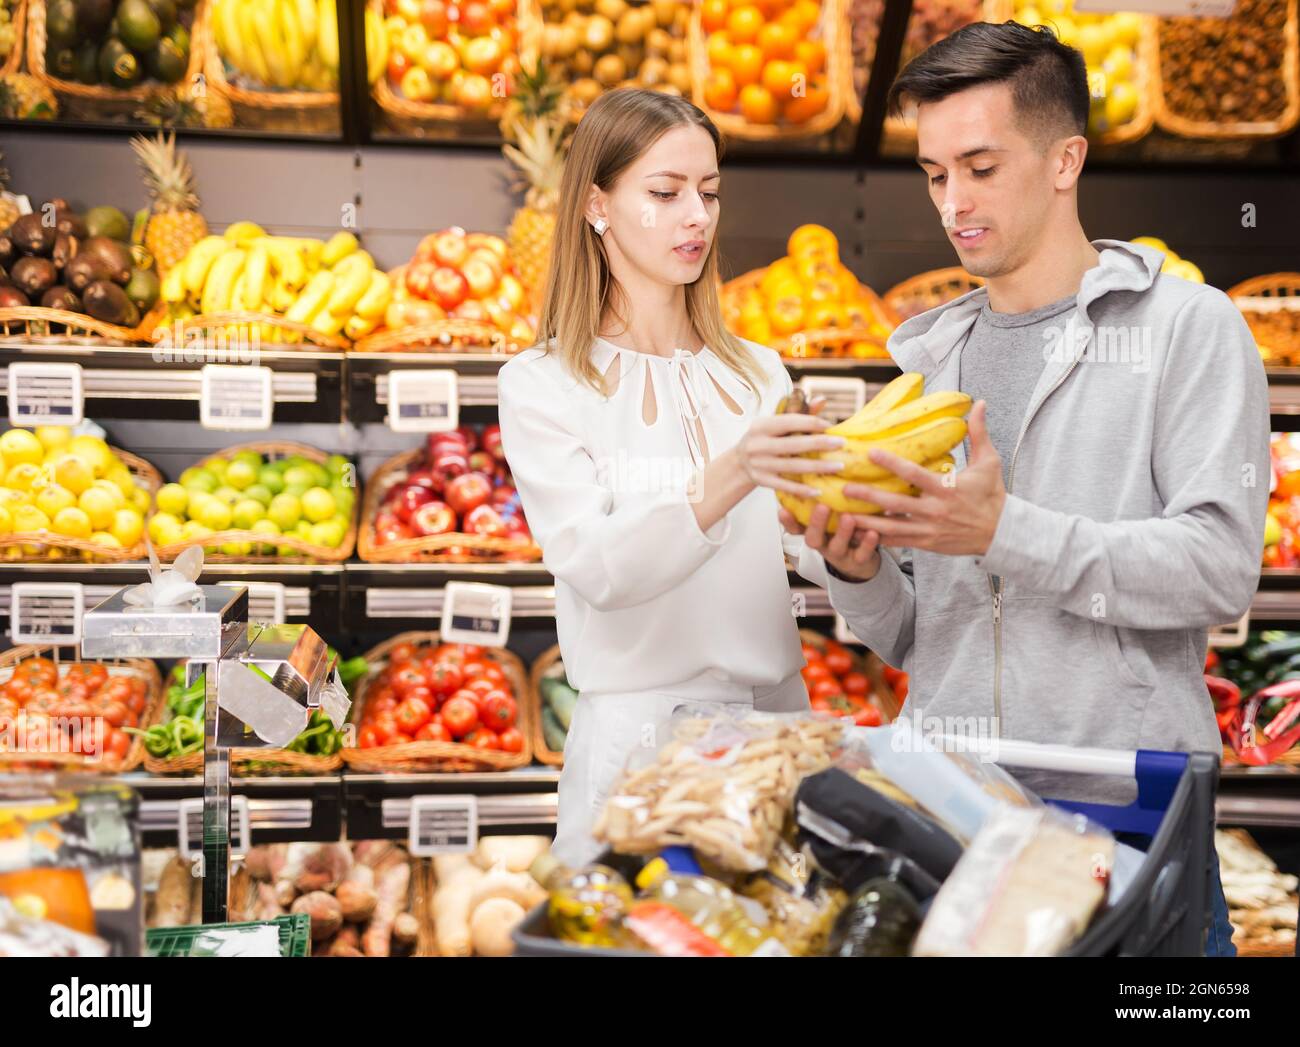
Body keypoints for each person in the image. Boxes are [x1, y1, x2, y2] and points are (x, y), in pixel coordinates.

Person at [783, 22, 1267, 956]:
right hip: (955, 818)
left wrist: (1005, 532)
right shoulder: (930, 363)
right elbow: (918, 635)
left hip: (1131, 818)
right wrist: (857, 570)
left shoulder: (1185, 329)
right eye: (933, 173)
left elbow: (1219, 569)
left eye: (980, 166)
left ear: (1063, 161)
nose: (952, 202)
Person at [497, 88, 839, 867]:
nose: (697, 215)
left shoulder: (759, 370)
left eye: (710, 192)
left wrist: (849, 524)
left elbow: (802, 543)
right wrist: (737, 469)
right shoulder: (542, 384)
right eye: (665, 192)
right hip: (638, 747)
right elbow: (598, 565)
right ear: (596, 205)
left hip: (777, 729)